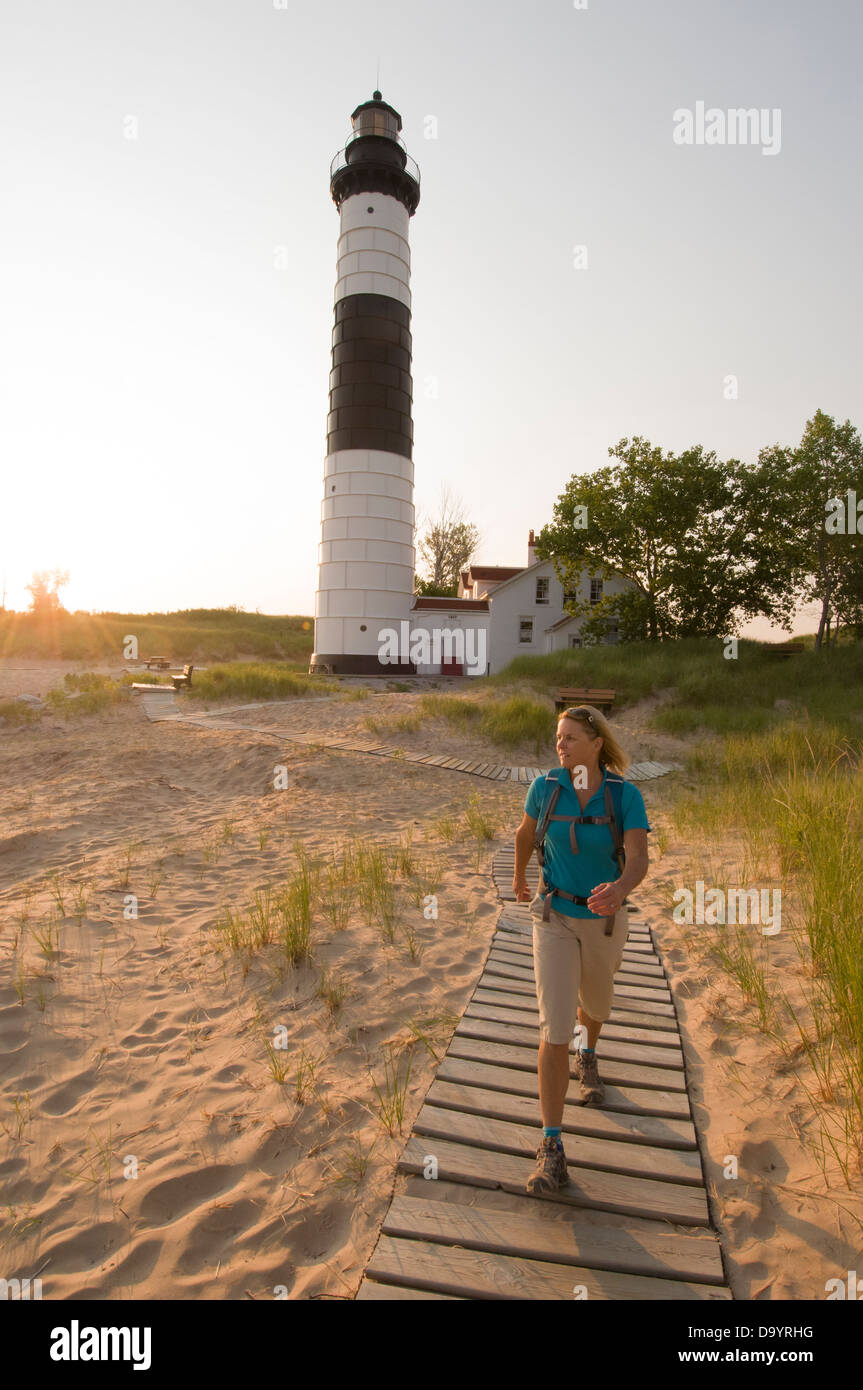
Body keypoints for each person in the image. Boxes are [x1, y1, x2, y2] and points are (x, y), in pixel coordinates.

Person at [512, 704, 651, 1195]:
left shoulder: (624, 796)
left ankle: (588, 1051)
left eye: (571, 737)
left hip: (606, 922)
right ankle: (552, 1146)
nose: (562, 745)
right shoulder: (545, 788)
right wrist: (519, 877)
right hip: (553, 915)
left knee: (594, 1006)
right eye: (558, 737)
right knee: (553, 1027)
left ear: (596, 744)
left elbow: (638, 859)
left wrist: (621, 889)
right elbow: (525, 834)